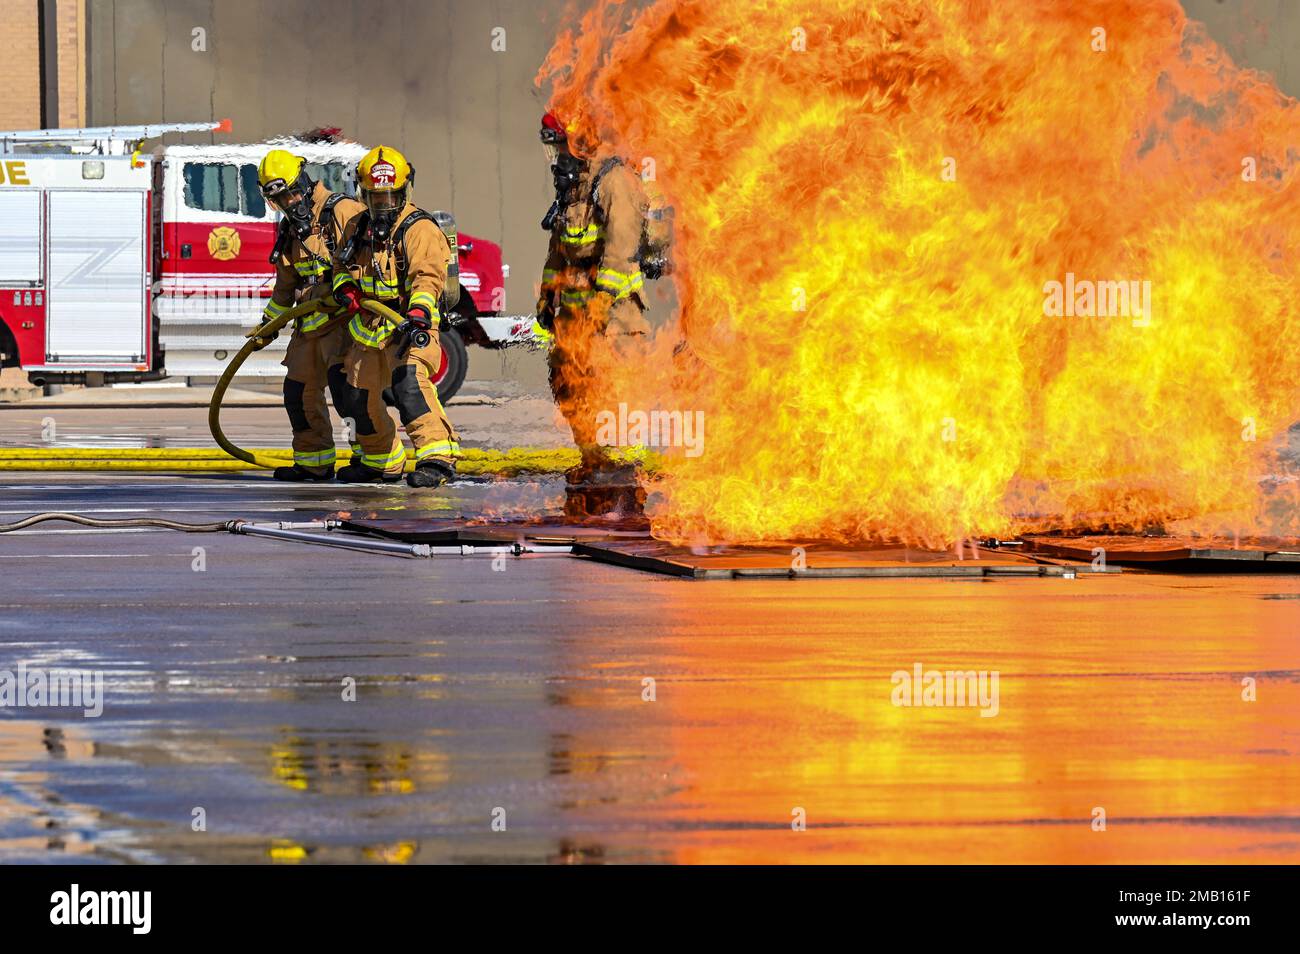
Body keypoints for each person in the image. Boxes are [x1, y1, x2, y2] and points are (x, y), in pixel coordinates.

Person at [330, 145, 461, 487]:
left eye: (391, 198)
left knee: (409, 387)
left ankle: (437, 458)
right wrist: (344, 287)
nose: (383, 206)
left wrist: (418, 309)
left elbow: (427, 276)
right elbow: (341, 264)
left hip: (409, 323)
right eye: (376, 199)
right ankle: (380, 461)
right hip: (369, 327)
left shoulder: (419, 229)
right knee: (354, 396)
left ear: (404, 192)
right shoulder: (358, 226)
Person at [535, 111, 650, 478]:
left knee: (612, 390)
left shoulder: (614, 181)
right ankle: (593, 458)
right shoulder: (571, 187)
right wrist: (546, 296)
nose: (554, 157)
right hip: (573, 317)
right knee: (569, 386)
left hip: (614, 317)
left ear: (578, 143)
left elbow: (621, 250)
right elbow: (558, 249)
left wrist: (601, 303)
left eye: (558, 146)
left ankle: (625, 467)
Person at [249, 149, 365, 481]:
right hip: (309, 329)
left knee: (349, 396)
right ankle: (313, 462)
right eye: (280, 198)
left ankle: (371, 459)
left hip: (345, 323)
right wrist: (267, 326)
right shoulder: (291, 229)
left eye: (291, 193)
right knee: (298, 393)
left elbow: (369, 262)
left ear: (303, 180)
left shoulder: (342, 211)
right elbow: (286, 286)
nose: (288, 202)